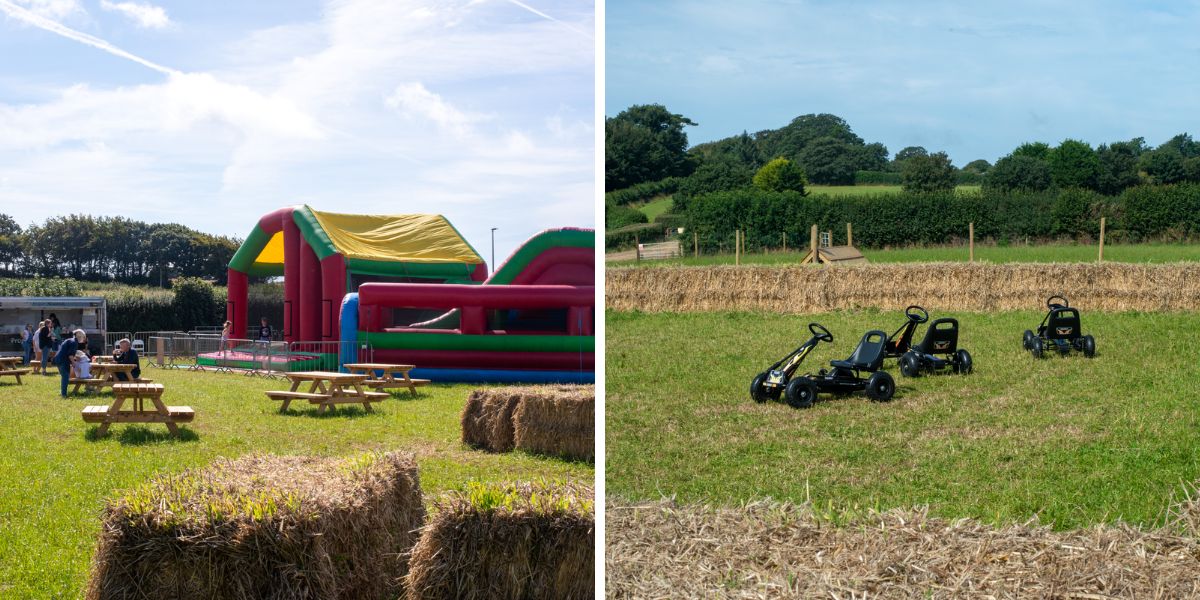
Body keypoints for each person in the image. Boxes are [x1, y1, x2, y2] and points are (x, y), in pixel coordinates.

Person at [55, 329, 85, 398]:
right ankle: (64, 395)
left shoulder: (71, 340)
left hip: (58, 359)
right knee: (65, 377)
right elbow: (70, 355)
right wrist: (74, 363)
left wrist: (75, 358)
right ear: (80, 336)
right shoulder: (74, 342)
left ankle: (63, 392)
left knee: (64, 377)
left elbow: (68, 352)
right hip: (63, 360)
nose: (83, 339)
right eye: (83, 337)